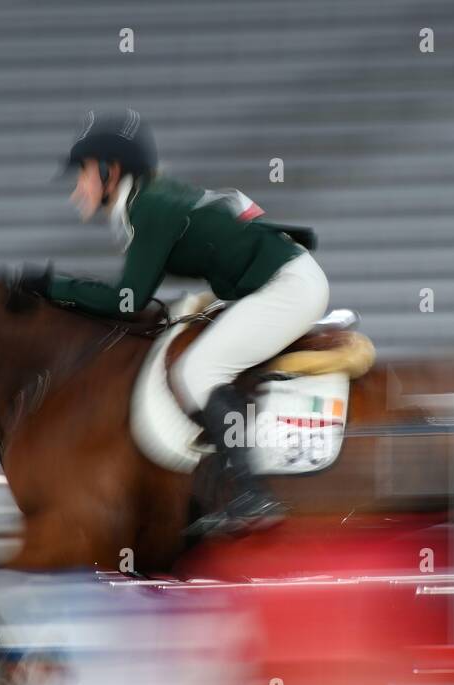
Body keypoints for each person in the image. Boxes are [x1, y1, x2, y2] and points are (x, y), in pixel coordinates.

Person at [48, 109, 330, 535]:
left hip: (287, 287)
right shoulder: (150, 199)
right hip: (275, 281)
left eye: (84, 173)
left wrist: (55, 287)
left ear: (111, 170)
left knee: (196, 370)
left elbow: (127, 301)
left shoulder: (150, 208)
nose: (77, 190)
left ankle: (252, 493)